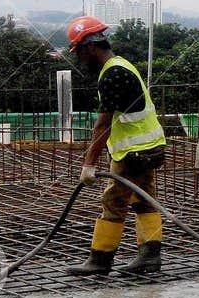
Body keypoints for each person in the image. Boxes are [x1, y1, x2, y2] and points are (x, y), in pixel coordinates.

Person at [63, 17, 168, 277]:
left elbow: (103, 125)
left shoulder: (112, 74)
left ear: (90, 47)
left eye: (79, 52)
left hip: (133, 153)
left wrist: (88, 164)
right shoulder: (121, 64)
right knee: (144, 199)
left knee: (113, 201)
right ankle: (150, 256)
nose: (79, 58)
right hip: (150, 147)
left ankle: (100, 259)